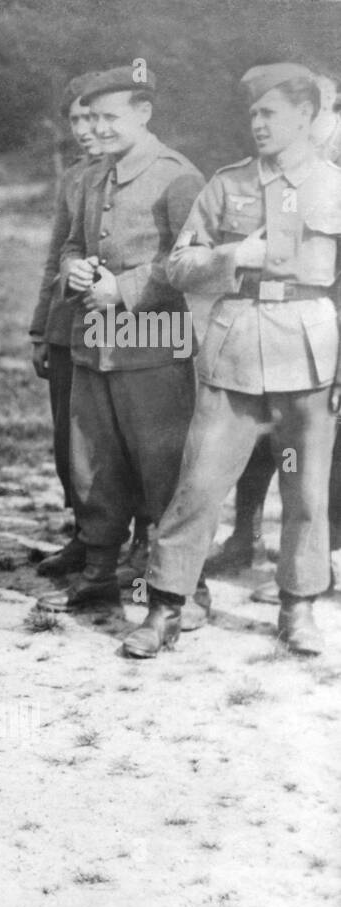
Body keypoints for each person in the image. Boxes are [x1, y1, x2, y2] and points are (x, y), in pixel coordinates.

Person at [125, 64, 341, 658]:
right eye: (253, 113)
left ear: (305, 115)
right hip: (236, 349)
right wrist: (234, 255)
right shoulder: (226, 185)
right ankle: (167, 606)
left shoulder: (334, 186)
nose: (258, 123)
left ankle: (298, 607)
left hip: (311, 353)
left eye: (270, 113)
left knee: (306, 488)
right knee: (199, 482)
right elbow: (178, 266)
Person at [33, 68, 205, 625]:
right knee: (93, 462)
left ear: (144, 113)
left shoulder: (177, 177)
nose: (99, 129)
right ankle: (99, 573)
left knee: (162, 467)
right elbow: (75, 242)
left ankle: (183, 588)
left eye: (111, 117)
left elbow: (195, 262)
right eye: (93, 117)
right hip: (94, 340)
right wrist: (75, 268)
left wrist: (124, 288)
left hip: (153, 341)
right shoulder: (92, 176)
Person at [29, 76, 103, 577]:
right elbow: (56, 255)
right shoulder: (73, 178)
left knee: (118, 439)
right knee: (68, 439)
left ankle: (134, 537)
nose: (83, 129)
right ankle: (84, 532)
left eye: (90, 118)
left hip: (121, 327)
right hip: (65, 325)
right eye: (74, 119)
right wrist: (39, 330)